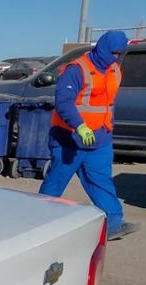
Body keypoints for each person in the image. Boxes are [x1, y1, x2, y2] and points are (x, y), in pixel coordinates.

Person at [39, 30, 137, 239]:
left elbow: (106, 104)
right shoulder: (77, 69)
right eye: (113, 53)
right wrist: (79, 126)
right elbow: (64, 102)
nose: (116, 57)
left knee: (101, 181)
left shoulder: (114, 70)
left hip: (100, 139)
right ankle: (35, 221)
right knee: (56, 182)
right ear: (102, 48)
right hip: (68, 139)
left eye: (120, 53)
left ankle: (113, 223)